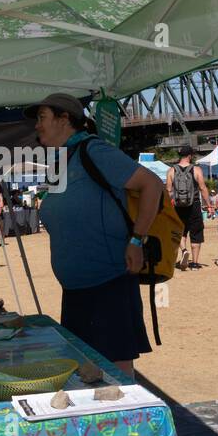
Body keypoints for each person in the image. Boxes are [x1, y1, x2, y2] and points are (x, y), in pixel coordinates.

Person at [26, 94, 163, 374]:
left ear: (64, 119)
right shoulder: (62, 161)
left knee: (115, 377)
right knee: (88, 374)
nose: (36, 126)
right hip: (77, 291)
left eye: (41, 117)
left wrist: (137, 240)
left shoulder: (93, 151)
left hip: (106, 284)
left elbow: (152, 184)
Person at [166, 145, 212, 269]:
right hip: (194, 204)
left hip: (178, 206)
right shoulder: (196, 170)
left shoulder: (171, 170)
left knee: (181, 231)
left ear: (180, 155)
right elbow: (203, 188)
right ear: (190, 156)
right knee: (196, 232)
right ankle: (195, 263)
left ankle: (184, 251)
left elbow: (169, 191)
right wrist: (209, 205)